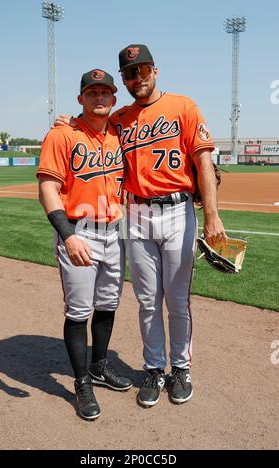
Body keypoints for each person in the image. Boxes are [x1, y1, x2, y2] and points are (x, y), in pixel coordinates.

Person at [55, 44, 226, 408]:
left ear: (155, 70)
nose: (138, 77)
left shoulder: (184, 106)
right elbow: (89, 125)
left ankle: (180, 368)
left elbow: (204, 159)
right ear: (124, 79)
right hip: (136, 215)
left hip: (179, 211)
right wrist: (68, 121)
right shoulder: (119, 118)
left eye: (143, 70)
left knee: (177, 300)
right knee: (147, 300)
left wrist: (212, 215)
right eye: (130, 73)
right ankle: (154, 369)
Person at [37, 69, 132, 421]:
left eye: (105, 92)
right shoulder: (62, 134)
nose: (99, 98)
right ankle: (81, 383)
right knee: (79, 311)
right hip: (79, 229)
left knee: (108, 303)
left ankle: (99, 366)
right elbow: (48, 188)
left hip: (113, 231)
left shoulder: (118, 136)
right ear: (80, 99)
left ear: (113, 98)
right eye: (92, 93)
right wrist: (68, 234)